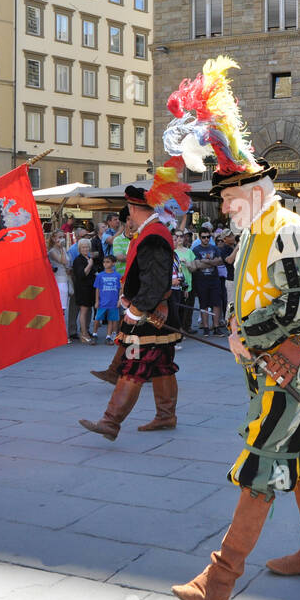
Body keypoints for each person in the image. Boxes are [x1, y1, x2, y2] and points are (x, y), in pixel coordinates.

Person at [167, 59, 300, 600]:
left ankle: (219, 578)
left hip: (290, 362)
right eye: (222, 198)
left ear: (256, 189)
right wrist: (242, 335)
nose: (225, 205)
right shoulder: (256, 231)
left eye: (231, 197)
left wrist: (253, 337)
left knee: (262, 458)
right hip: (267, 362)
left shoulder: (284, 228)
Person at [79, 172, 189, 440]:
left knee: (133, 365)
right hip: (154, 313)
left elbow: (155, 282)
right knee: (162, 364)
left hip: (149, 315)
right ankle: (166, 415)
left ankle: (110, 422)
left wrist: (135, 310)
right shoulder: (150, 232)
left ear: (133, 208)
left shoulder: (153, 235)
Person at [72, 237, 98, 343]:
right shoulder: (78, 260)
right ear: (79, 248)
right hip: (82, 288)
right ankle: (83, 334)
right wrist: (90, 265)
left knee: (89, 311)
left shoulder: (89, 258)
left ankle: (86, 331)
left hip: (90, 288)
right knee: (83, 311)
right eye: (83, 247)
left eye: (87, 247)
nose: (85, 249)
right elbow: (82, 275)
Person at [94, 255, 122, 343]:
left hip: (113, 302)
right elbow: (97, 289)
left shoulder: (118, 276)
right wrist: (97, 301)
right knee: (97, 318)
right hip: (102, 302)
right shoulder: (100, 276)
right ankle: (94, 334)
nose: (105, 264)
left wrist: (119, 300)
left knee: (111, 319)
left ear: (113, 263)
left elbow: (120, 289)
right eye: (104, 262)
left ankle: (109, 336)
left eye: (108, 262)